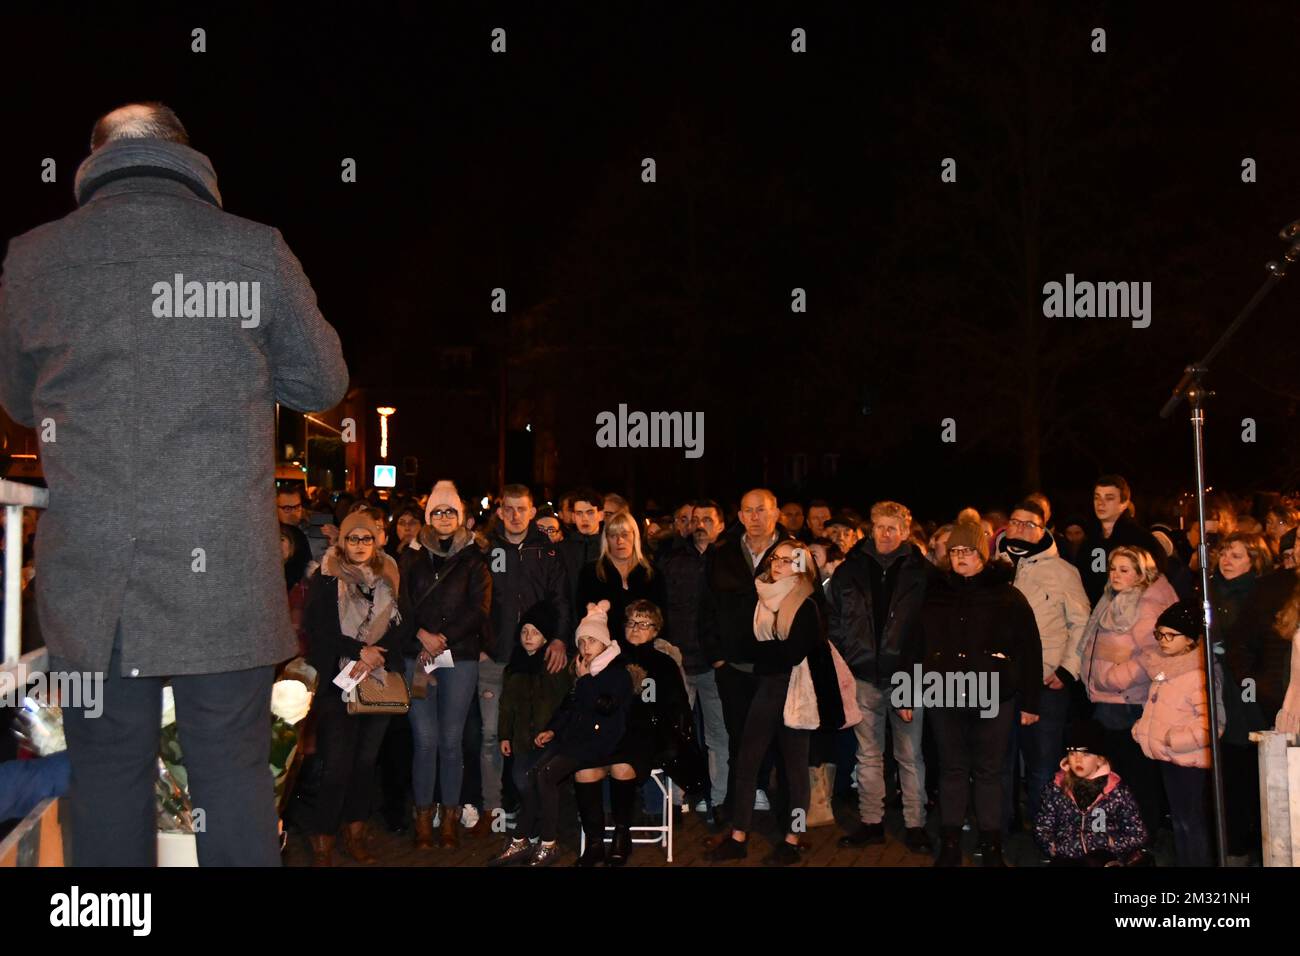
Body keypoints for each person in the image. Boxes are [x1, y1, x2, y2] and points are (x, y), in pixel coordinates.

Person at [0, 103, 349, 866]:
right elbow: (323, 382)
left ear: (95, 159)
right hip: (222, 569)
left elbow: (19, 400)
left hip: (93, 577)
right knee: (231, 777)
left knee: (105, 780)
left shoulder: (32, 258)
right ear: (188, 156)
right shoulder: (253, 250)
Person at [905, 518, 1042, 867]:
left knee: (988, 771)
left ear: (982, 553)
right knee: (951, 769)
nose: (960, 557)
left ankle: (991, 844)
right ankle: (950, 842)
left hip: (993, 694)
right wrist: (905, 694)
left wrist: (1030, 701)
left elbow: (1029, 649)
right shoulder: (933, 594)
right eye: (954, 551)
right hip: (944, 692)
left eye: (967, 551)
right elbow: (913, 645)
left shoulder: (1007, 596)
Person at [710, 540, 831, 865]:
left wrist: (764, 655)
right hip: (765, 688)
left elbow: (792, 653)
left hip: (794, 691)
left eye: (787, 561)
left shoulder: (807, 603)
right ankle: (739, 835)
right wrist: (764, 655)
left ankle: (793, 837)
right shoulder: (761, 595)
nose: (777, 564)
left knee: (795, 770)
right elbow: (750, 645)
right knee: (747, 761)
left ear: (801, 567)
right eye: (775, 558)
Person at [828, 501, 936, 853]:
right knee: (868, 754)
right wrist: (847, 655)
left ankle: (915, 823)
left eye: (893, 527)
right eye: (880, 526)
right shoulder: (850, 569)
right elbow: (834, 616)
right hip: (862, 674)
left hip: (906, 677)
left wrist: (915, 675)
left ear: (905, 531)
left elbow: (927, 632)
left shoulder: (922, 572)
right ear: (870, 528)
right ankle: (871, 821)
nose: (886, 534)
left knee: (909, 753)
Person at [301, 512, 403, 866]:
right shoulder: (326, 577)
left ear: (376, 541)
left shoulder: (389, 573)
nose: (359, 545)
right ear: (341, 541)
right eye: (352, 538)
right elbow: (318, 629)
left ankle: (356, 833)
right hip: (338, 682)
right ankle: (323, 838)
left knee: (365, 763)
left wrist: (376, 656)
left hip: (376, 680)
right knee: (338, 764)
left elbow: (405, 623)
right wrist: (359, 652)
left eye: (366, 538)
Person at [398, 480, 492, 850]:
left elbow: (479, 609)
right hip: (416, 655)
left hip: (460, 656)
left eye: (450, 511)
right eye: (437, 511)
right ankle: (423, 816)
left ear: (461, 517)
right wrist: (421, 635)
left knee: (452, 741)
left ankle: (449, 818)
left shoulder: (475, 558)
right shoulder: (410, 555)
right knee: (425, 740)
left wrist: (443, 639)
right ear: (428, 516)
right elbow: (399, 603)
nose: (443, 518)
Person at [478, 484, 571, 831]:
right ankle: (492, 807)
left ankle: (533, 804)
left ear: (533, 512)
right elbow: (477, 600)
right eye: (509, 509)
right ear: (500, 511)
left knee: (533, 729)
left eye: (522, 509)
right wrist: (481, 644)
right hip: (496, 654)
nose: (515, 515)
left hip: (534, 656)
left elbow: (560, 597)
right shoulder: (486, 548)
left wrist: (559, 639)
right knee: (491, 733)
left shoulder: (546, 550)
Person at [996, 499, 1092, 827]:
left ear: (1043, 530)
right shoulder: (996, 569)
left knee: (1043, 763)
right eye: (1015, 521)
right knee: (999, 761)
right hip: (1002, 683)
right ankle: (1002, 831)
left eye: (1029, 524)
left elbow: (1081, 623)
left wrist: (1067, 669)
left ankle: (1046, 832)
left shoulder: (1063, 572)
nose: (1021, 528)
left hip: (1046, 681)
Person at [577, 599, 693, 865]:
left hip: (647, 735)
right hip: (608, 732)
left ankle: (621, 836)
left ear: (655, 630)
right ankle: (594, 844)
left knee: (621, 766)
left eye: (643, 624)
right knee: (585, 771)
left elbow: (677, 707)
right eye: (631, 622)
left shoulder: (664, 663)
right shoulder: (611, 657)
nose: (636, 629)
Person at [699, 489, 790, 825]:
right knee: (738, 741)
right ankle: (737, 815)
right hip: (733, 666)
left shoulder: (793, 552)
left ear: (776, 512)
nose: (755, 517)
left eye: (762, 510)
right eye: (748, 511)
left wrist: (793, 655)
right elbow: (706, 607)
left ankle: (785, 818)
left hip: (777, 667)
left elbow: (811, 608)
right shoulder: (721, 553)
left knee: (782, 744)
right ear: (739, 516)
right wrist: (716, 656)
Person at [1077, 546, 1178, 835]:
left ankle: (1142, 833)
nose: (1116, 575)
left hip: (1127, 701)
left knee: (1134, 774)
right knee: (1116, 774)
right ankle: (1124, 832)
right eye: (1113, 569)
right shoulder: (1111, 600)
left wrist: (1116, 678)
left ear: (1140, 574)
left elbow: (1155, 653)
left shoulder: (1144, 606)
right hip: (1107, 700)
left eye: (1125, 570)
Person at [523, 601, 632, 867]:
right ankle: (585, 843)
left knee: (548, 774)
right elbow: (569, 707)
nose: (585, 648)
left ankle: (550, 842)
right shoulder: (583, 670)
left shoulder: (616, 673)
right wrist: (551, 729)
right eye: (581, 641)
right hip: (577, 740)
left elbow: (606, 707)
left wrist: (585, 682)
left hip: (602, 743)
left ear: (605, 643)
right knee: (536, 771)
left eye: (591, 641)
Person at [1128, 602, 1225, 866]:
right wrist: (1143, 730)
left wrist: (1175, 740)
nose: (1163, 640)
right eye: (1160, 634)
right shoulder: (1166, 668)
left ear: (1191, 640)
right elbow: (1159, 708)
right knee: (1180, 820)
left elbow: (1212, 723)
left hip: (1189, 760)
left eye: (1171, 635)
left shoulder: (1197, 673)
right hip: (1168, 757)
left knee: (1191, 821)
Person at [657, 499, 730, 814]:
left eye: (707, 519)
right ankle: (674, 798)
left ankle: (721, 798)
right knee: (675, 732)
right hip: (678, 662)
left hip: (716, 664)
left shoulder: (729, 559)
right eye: (695, 519)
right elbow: (660, 607)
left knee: (718, 735)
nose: (700, 524)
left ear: (721, 524)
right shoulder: (672, 560)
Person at [489, 603, 574, 865]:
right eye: (524, 630)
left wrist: (552, 730)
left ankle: (541, 840)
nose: (528, 636)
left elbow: (566, 703)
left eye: (535, 632)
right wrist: (504, 735)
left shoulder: (555, 666)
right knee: (523, 782)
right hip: (522, 740)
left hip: (550, 739)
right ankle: (529, 837)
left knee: (540, 779)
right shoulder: (513, 667)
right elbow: (506, 705)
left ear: (546, 637)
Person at [1033, 720, 1149, 866]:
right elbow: (1043, 826)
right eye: (1073, 753)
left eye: (1086, 754)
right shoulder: (1056, 788)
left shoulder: (1117, 792)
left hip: (1103, 858)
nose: (1078, 760)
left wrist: (1111, 843)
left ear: (1100, 760)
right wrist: (1053, 847)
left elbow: (1138, 833)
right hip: (1067, 857)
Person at [1074, 475, 1168, 605]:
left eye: (1109, 498)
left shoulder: (1142, 540)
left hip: (1131, 615)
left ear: (1124, 503)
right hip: (1097, 615)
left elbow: (1156, 579)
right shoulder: (1089, 542)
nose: (1101, 503)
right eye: (1097, 497)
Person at [575, 509, 666, 638]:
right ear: (606, 539)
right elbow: (583, 618)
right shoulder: (590, 573)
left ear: (635, 536)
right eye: (613, 535)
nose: (620, 541)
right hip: (604, 651)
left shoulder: (652, 574)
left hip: (645, 651)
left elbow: (662, 619)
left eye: (625, 534)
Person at [558, 488, 604, 610]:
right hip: (570, 619)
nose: (584, 518)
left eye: (590, 512)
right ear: (573, 516)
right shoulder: (562, 549)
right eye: (579, 513)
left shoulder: (609, 547)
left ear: (601, 515)